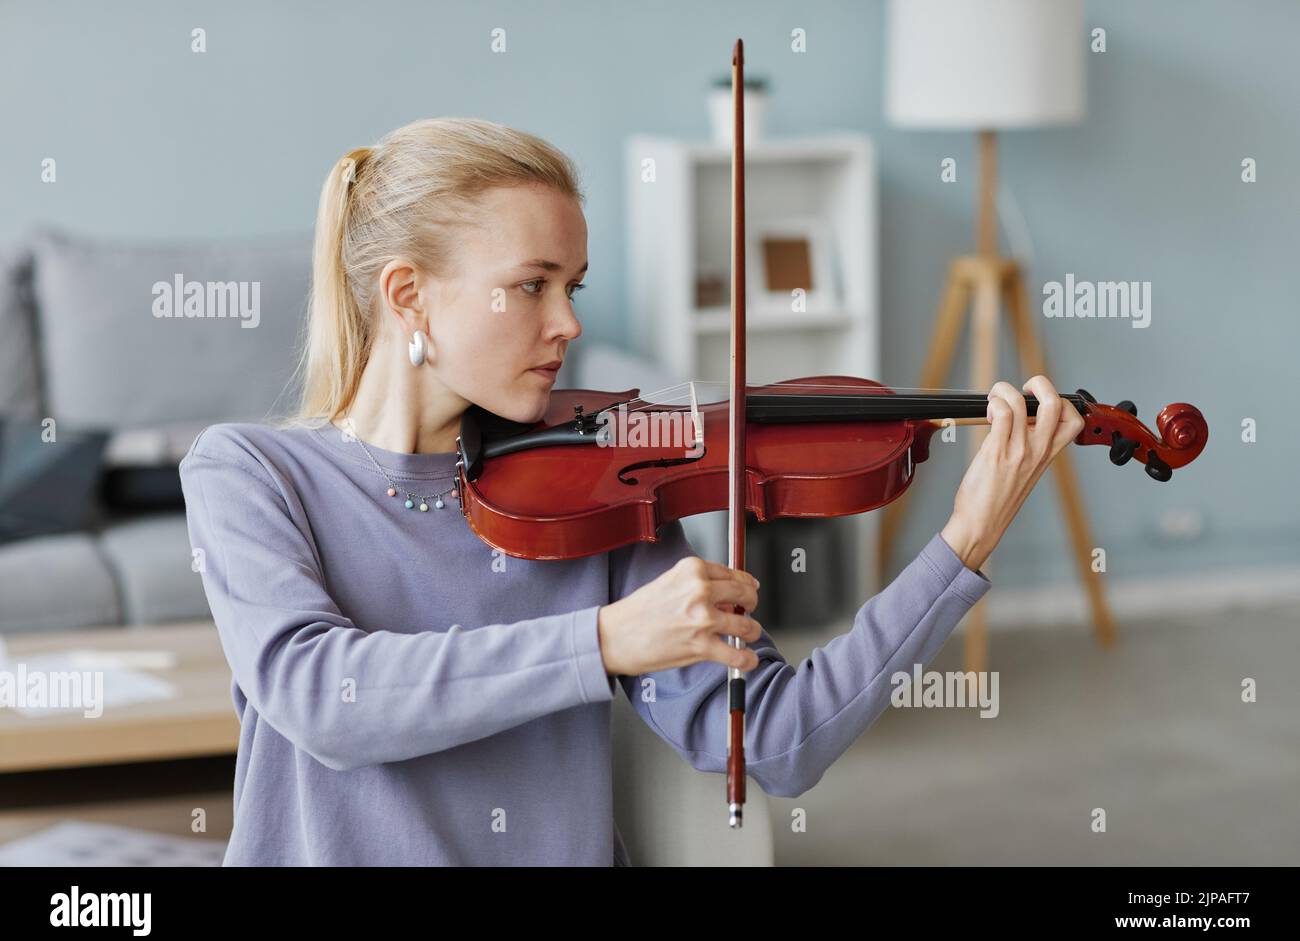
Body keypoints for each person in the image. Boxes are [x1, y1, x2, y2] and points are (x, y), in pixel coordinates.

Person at [178, 117, 1085, 866]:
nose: (568, 323)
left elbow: (779, 742)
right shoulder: (250, 473)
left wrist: (963, 543)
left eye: (571, 286)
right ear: (408, 295)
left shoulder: (595, 493)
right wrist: (605, 641)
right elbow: (323, 698)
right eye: (531, 286)